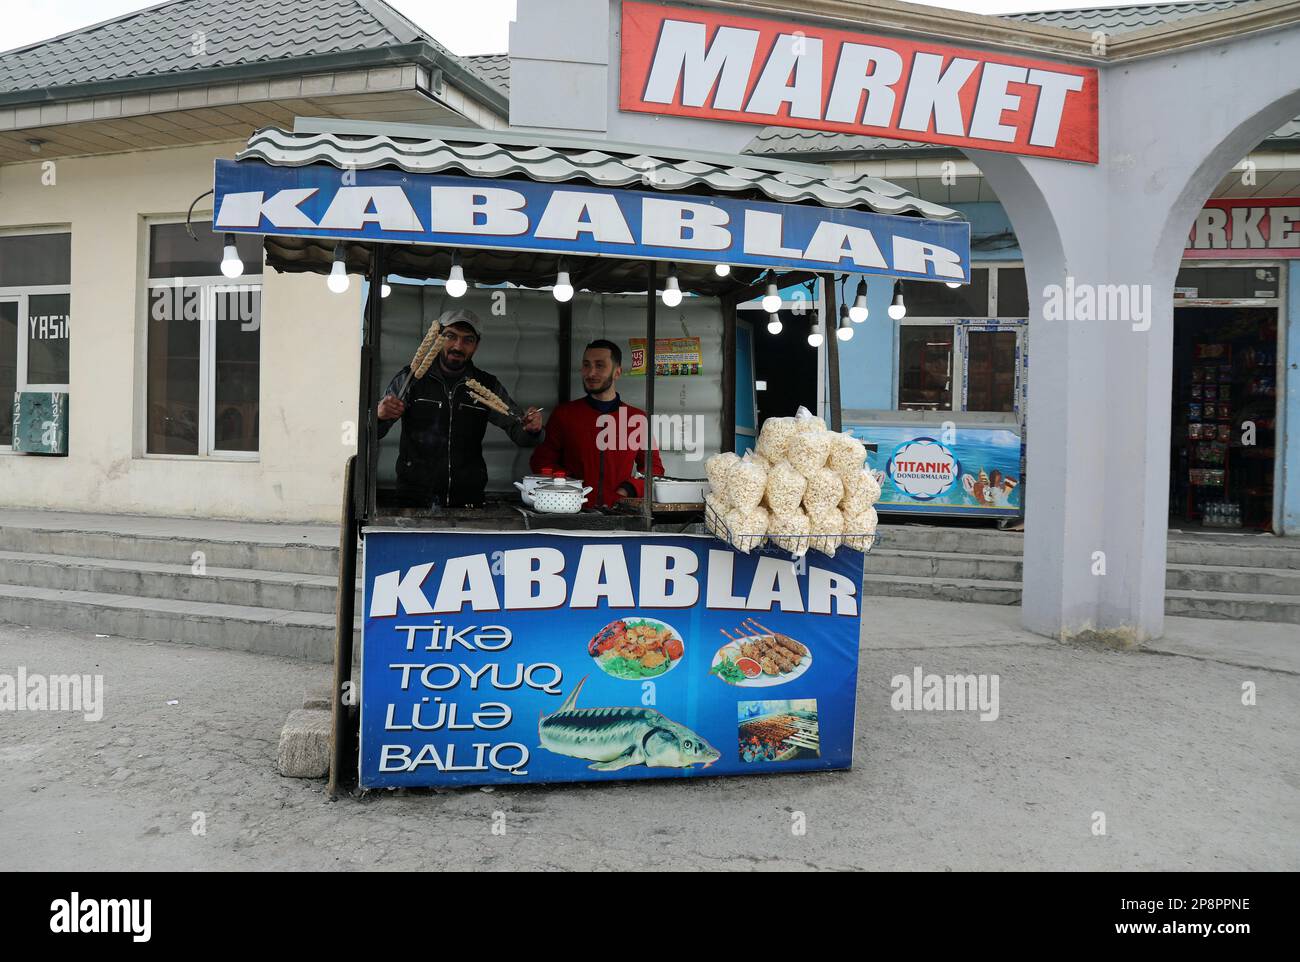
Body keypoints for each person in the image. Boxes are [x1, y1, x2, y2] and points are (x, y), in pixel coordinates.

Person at [377, 309, 542, 508]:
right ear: (437, 338)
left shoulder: (487, 385)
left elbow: (518, 429)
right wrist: (379, 415)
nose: (458, 346)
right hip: (413, 498)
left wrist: (532, 430)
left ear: (476, 345)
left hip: (468, 499)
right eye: (450, 336)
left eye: (467, 340)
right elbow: (375, 430)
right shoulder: (410, 379)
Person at [530, 339, 663, 508]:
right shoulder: (564, 414)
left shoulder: (636, 419)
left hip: (620, 514)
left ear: (617, 372)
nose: (591, 373)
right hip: (571, 512)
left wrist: (629, 489)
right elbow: (541, 461)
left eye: (600, 365)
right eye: (586, 365)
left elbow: (654, 469)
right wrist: (568, 484)